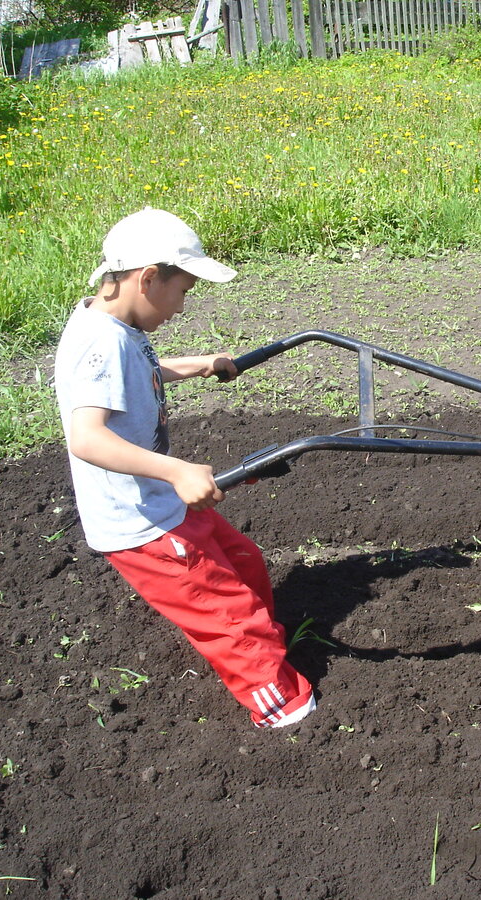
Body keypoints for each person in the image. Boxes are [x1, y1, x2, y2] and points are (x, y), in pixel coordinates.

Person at [53, 208, 315, 728]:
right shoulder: (98, 344)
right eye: (185, 290)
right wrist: (176, 470)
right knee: (231, 619)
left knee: (245, 566)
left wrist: (197, 364)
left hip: (161, 505)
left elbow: (136, 374)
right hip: (140, 524)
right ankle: (282, 710)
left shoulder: (115, 324)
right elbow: (86, 437)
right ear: (149, 278)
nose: (182, 306)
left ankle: (265, 641)